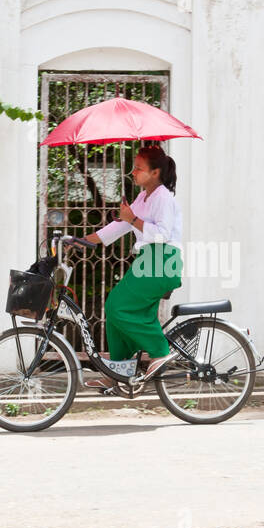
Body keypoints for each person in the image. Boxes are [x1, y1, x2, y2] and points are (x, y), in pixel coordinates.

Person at [81, 144, 183, 387]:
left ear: (155, 173)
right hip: (149, 260)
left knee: (117, 306)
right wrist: (83, 241)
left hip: (162, 260)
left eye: (138, 168)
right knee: (115, 311)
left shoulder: (163, 198)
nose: (133, 172)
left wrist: (133, 219)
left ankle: (160, 352)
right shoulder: (143, 196)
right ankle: (120, 372)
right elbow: (120, 226)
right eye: (134, 168)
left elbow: (161, 234)